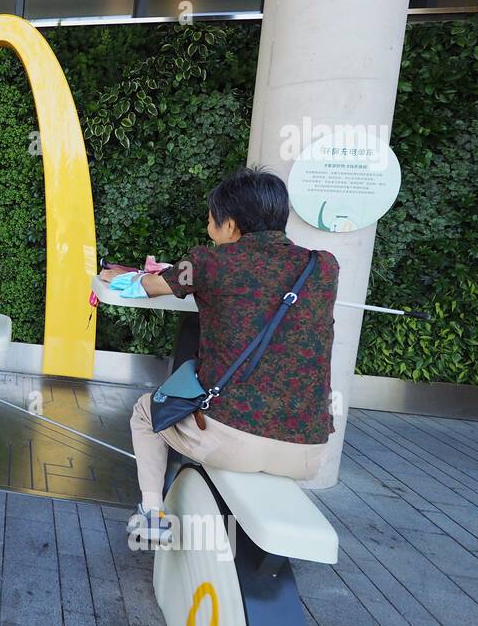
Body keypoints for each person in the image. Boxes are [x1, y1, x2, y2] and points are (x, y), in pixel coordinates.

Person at [99, 167, 338, 542]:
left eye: (212, 221)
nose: (210, 229)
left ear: (229, 226)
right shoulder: (322, 266)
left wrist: (114, 275)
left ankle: (150, 514)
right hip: (309, 448)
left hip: (231, 438)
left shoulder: (210, 263)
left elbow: (145, 286)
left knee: (147, 413)